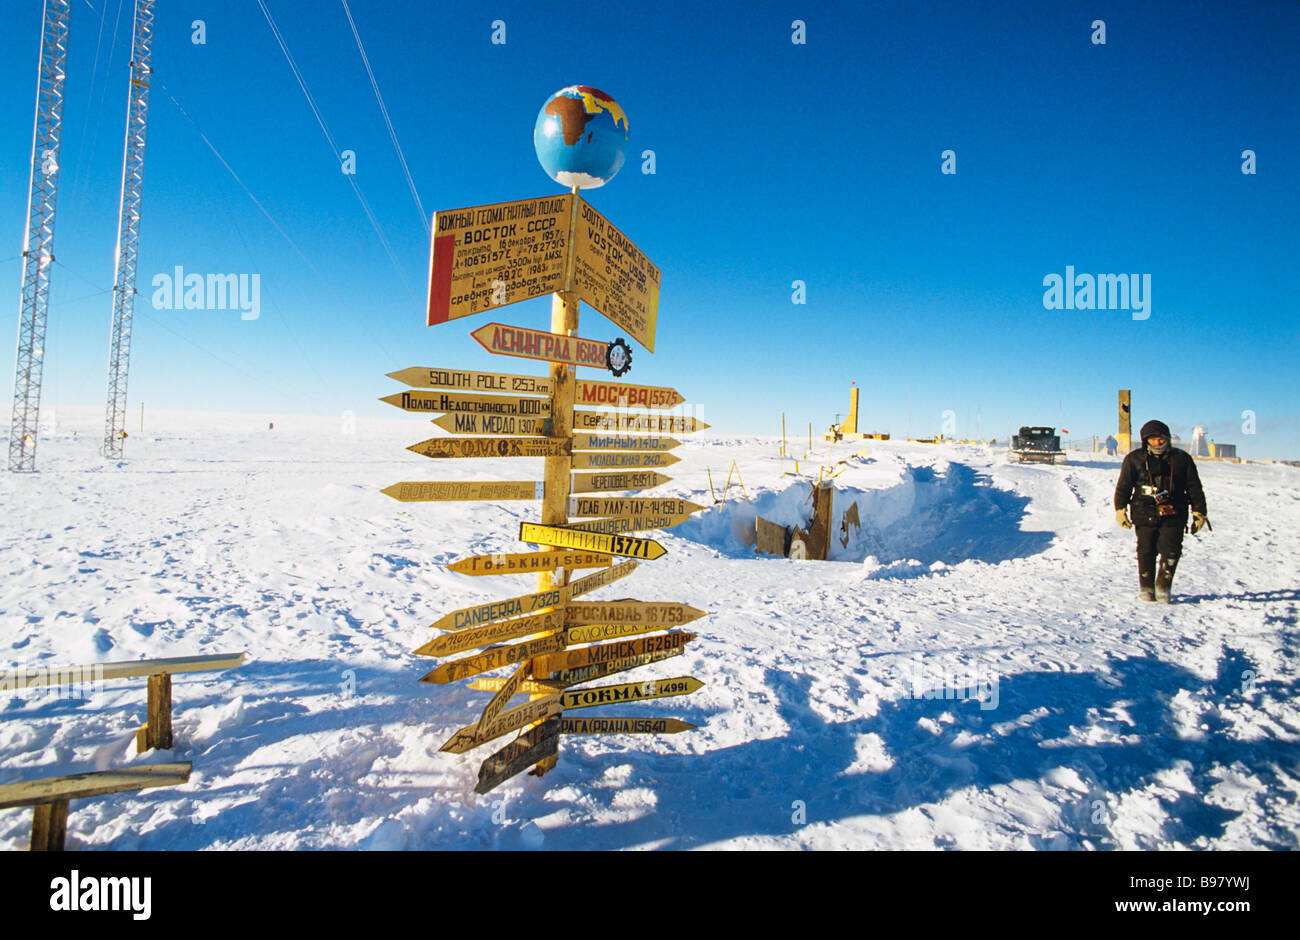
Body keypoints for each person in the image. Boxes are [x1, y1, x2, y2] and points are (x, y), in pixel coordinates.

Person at [1114, 420, 1209, 602]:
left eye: (1160, 439)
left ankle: (1163, 587)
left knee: (1171, 549)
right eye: (1152, 439)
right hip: (1143, 510)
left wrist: (1199, 512)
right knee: (1146, 550)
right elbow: (1123, 486)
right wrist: (1120, 508)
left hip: (1174, 511)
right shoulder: (1134, 459)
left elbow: (1194, 487)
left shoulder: (1182, 459)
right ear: (1145, 440)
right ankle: (1147, 588)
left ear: (1167, 438)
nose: (1157, 443)